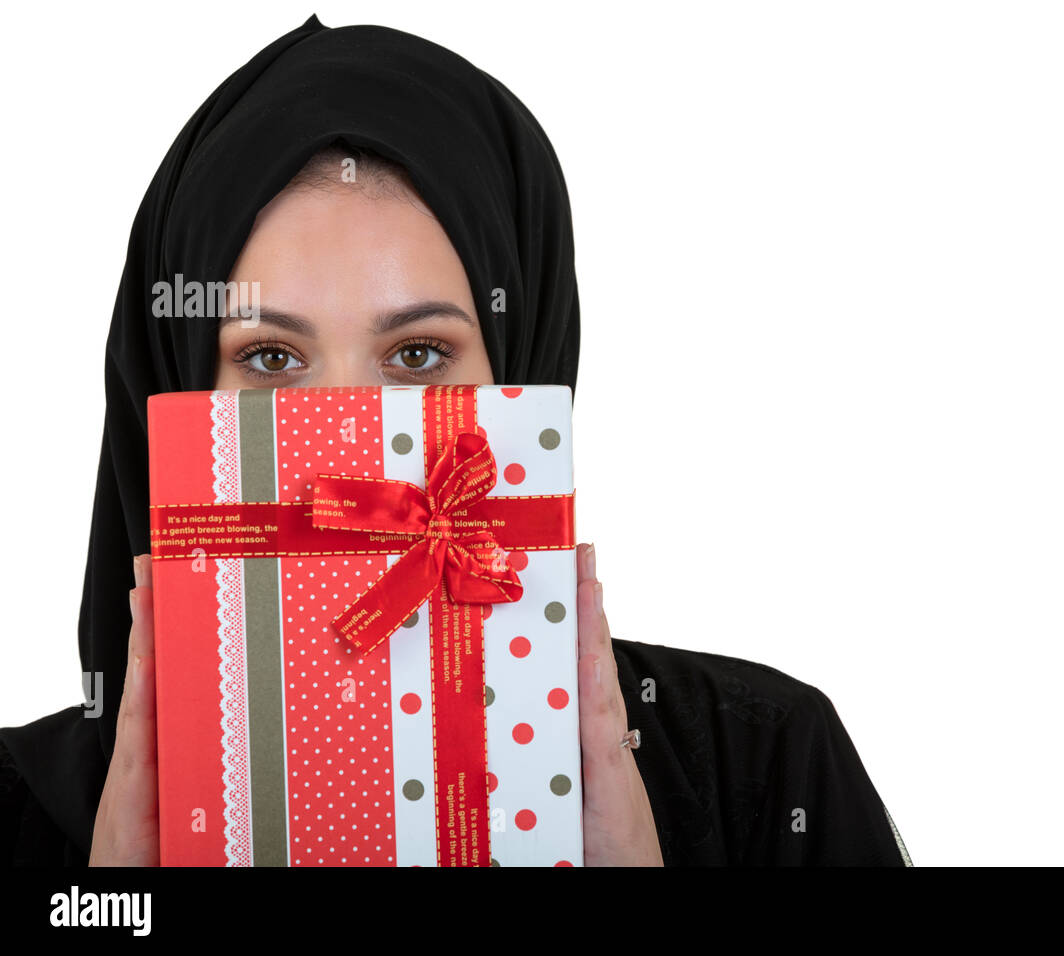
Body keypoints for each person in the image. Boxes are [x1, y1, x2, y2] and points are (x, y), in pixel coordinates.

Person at [0, 14, 911, 867]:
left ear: (526, 362)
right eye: (272, 356)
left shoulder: (769, 768)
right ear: (173, 379)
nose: (350, 444)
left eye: (420, 353)